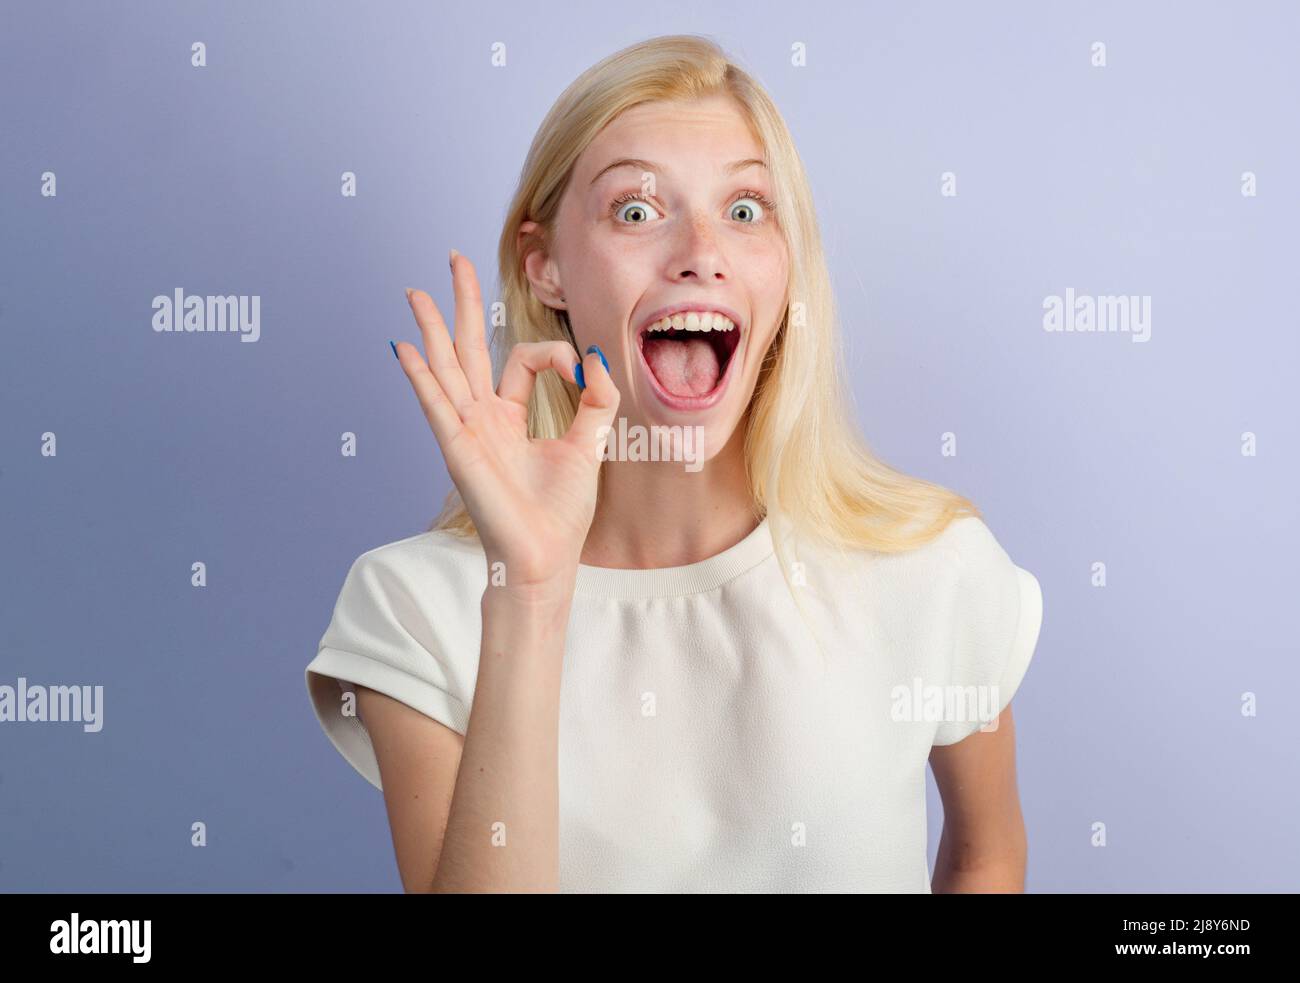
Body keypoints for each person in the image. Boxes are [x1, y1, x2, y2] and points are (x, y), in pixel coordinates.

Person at [304, 34, 1043, 893]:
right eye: (636, 210)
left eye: (744, 210)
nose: (701, 248)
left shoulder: (929, 566)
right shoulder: (414, 611)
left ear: (788, 265)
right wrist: (531, 592)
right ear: (546, 269)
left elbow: (988, 853)